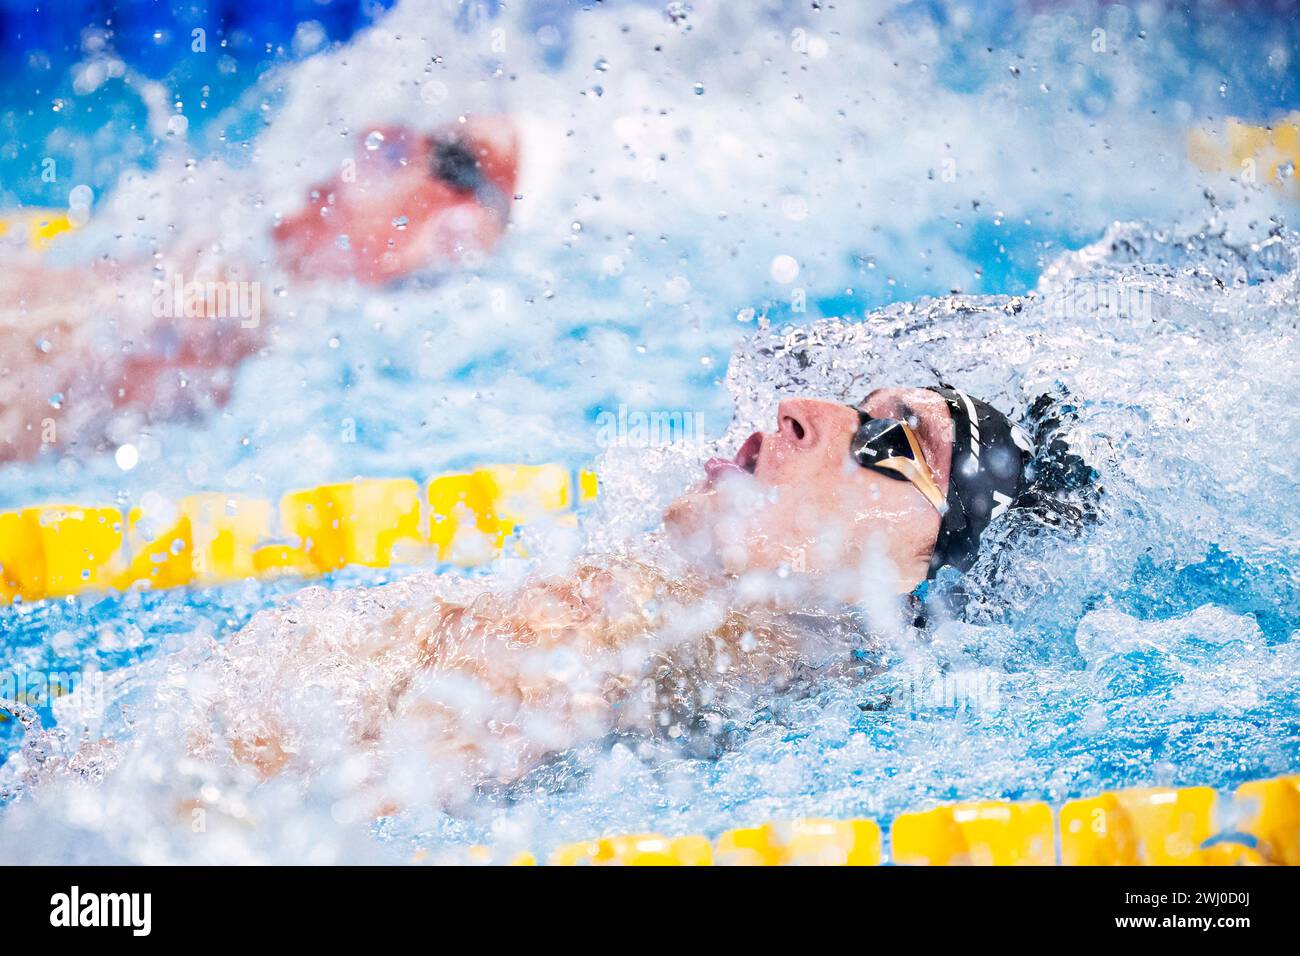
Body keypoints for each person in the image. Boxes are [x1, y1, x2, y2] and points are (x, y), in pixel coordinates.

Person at [189, 384, 1096, 811]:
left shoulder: (608, 630)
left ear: (915, 581)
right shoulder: (662, 645)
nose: (802, 406)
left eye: (895, 443)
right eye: (863, 404)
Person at [0, 118, 519, 463]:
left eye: (394, 154)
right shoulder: (238, 251)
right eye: (375, 142)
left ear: (432, 215)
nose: (357, 157)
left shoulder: (259, 308)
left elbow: (501, 148)